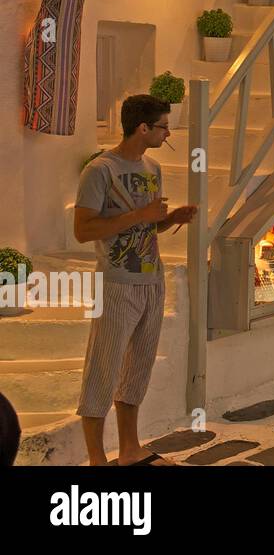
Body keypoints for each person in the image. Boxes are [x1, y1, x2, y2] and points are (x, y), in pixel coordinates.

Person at [74, 94, 198, 466]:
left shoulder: (152, 168)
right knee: (103, 370)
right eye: (163, 126)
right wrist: (141, 214)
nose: (168, 133)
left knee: (137, 370)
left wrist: (170, 218)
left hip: (151, 279)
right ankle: (97, 459)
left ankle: (130, 449)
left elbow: (145, 227)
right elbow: (83, 230)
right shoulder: (99, 170)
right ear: (143, 128)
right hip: (116, 282)